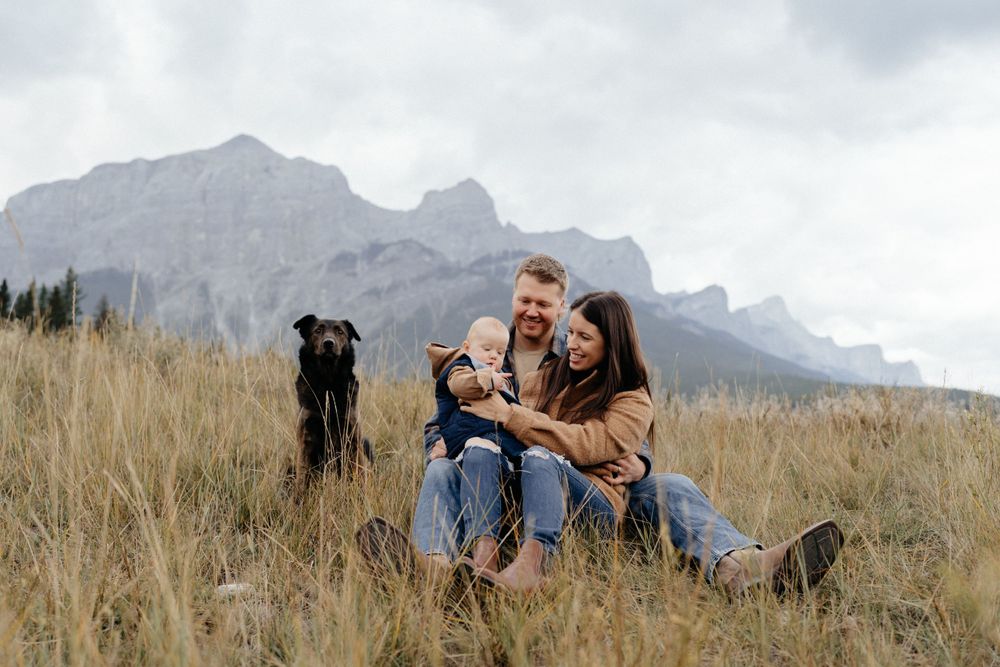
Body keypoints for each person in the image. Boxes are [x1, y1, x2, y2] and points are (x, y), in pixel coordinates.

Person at [406, 253, 842, 596]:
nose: (533, 312)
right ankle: (435, 566)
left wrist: (642, 464)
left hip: (578, 483)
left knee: (669, 484)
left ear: (561, 307)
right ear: (513, 300)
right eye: (525, 301)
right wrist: (438, 443)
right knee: (446, 467)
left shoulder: (573, 354)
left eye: (544, 304)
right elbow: (449, 413)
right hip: (504, 471)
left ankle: (741, 566)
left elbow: (611, 437)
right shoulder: (488, 348)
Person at [459, 290, 654, 591]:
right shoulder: (545, 377)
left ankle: (533, 566)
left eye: (585, 337)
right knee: (477, 452)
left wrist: (514, 417)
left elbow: (585, 443)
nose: (572, 344)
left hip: (593, 508)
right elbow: (520, 441)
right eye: (572, 332)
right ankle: (477, 560)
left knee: (540, 456)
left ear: (612, 342)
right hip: (533, 491)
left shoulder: (633, 400)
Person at [425, 316, 523, 463]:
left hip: (491, 432)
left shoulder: (502, 376)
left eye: (500, 352)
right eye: (487, 349)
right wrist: (487, 380)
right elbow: (458, 385)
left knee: (519, 452)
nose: (493, 355)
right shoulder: (462, 366)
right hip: (467, 432)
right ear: (467, 348)